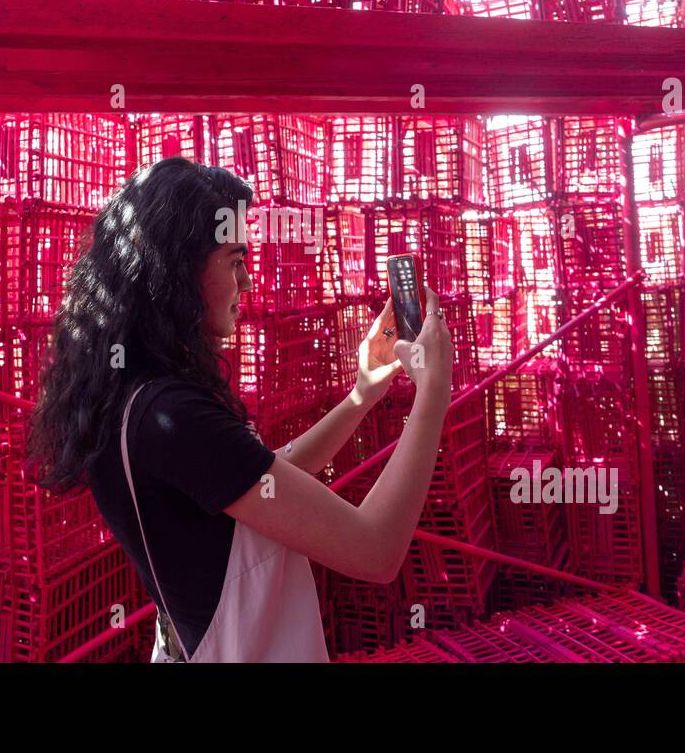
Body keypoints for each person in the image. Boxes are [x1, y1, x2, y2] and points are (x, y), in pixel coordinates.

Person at [26, 156, 454, 662]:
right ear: (177, 270)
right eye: (234, 259)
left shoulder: (136, 396)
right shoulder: (171, 417)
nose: (247, 281)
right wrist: (433, 394)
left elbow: (264, 478)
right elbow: (376, 550)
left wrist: (363, 395)